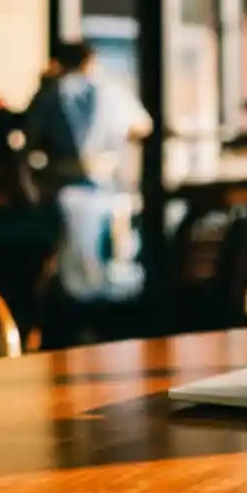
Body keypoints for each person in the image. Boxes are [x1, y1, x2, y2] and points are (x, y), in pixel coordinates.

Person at [27, 42, 153, 334]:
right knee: (113, 264)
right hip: (109, 189)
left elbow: (30, 136)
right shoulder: (112, 89)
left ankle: (76, 328)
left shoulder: (53, 92)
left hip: (67, 190)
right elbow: (141, 127)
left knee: (74, 271)